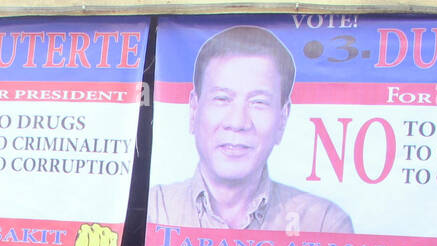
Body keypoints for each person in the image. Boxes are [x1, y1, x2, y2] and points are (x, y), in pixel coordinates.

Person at [148, 25, 351, 233]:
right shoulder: (154, 209)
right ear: (193, 109)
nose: (237, 123)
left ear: (282, 118)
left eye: (258, 102)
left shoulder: (323, 224)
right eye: (222, 99)